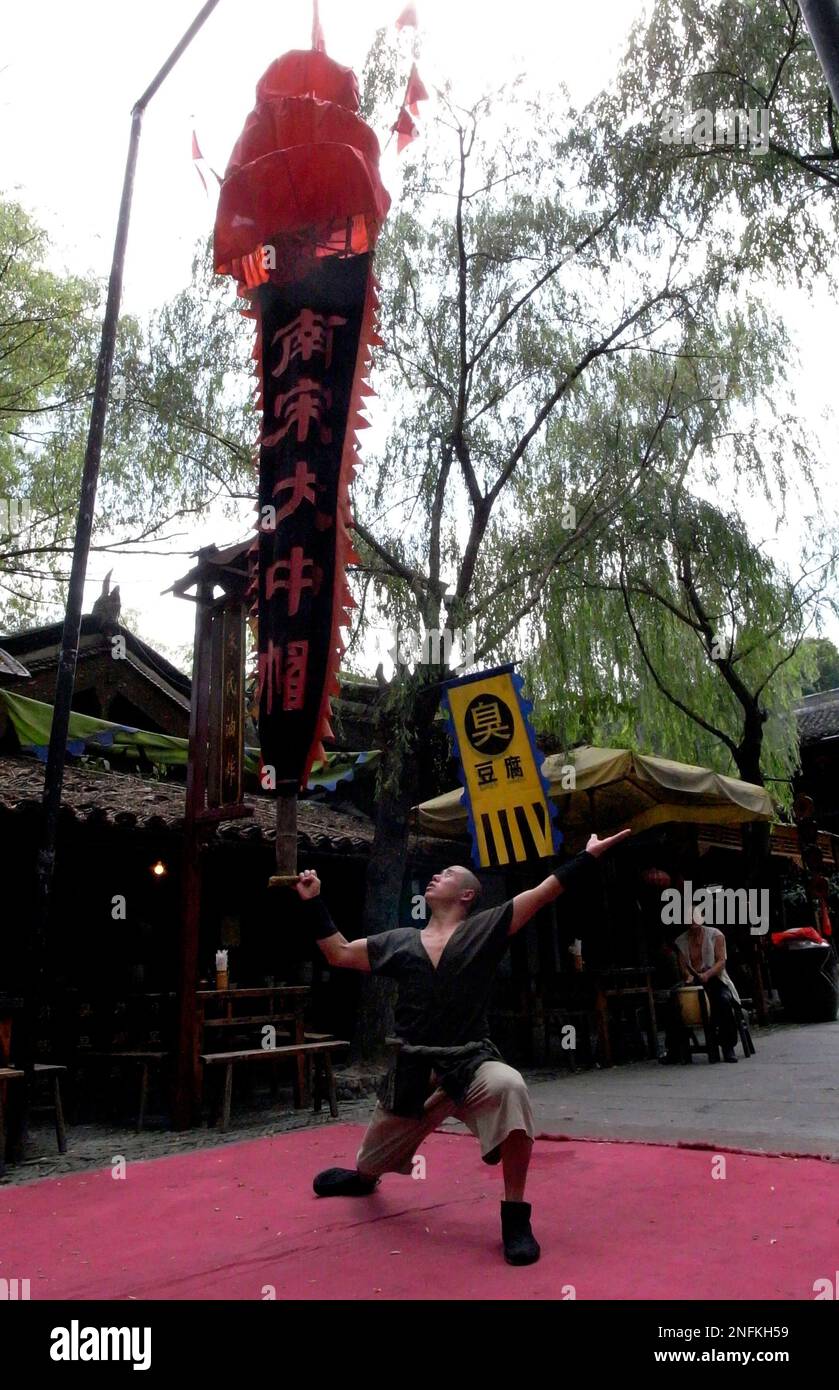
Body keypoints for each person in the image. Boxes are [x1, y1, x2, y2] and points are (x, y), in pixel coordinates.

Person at [294, 829, 630, 1266]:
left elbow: (544, 893)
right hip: (415, 1072)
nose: (436, 876)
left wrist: (586, 858)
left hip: (471, 1065)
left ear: (468, 894)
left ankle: (514, 1214)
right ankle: (364, 1177)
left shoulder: (485, 929)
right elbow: (338, 954)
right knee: (371, 1158)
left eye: (448, 873)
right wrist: (313, 900)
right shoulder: (398, 941)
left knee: (510, 1086)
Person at [667, 907, 742, 1063]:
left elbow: (721, 961)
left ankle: (728, 1047)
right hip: (693, 980)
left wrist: (707, 975)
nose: (693, 920)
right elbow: (683, 967)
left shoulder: (716, 935)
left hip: (715, 979)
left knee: (723, 1001)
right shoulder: (680, 941)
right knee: (672, 1001)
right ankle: (675, 1050)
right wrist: (689, 978)